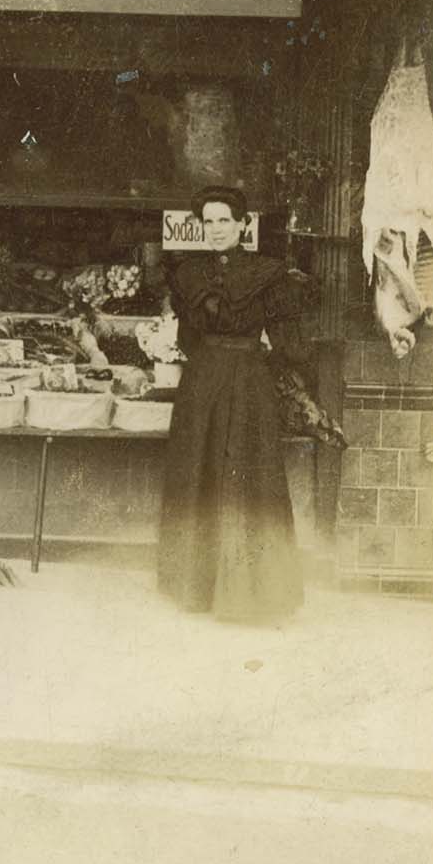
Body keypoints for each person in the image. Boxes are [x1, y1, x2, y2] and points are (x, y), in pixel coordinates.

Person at [156, 185, 308, 625]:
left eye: (225, 220)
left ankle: (251, 592)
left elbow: (290, 344)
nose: (217, 228)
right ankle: (197, 587)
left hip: (247, 384)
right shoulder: (188, 274)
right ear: (201, 227)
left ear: (243, 225)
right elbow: (187, 338)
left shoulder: (269, 273)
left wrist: (259, 356)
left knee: (246, 476)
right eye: (209, 221)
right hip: (202, 383)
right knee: (198, 472)